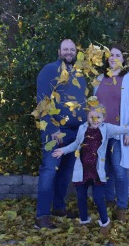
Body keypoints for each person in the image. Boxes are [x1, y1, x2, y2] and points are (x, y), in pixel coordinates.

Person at [52, 101, 129, 235]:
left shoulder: (106, 128)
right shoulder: (82, 129)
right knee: (81, 197)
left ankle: (105, 222)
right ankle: (84, 221)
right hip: (82, 171)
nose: (95, 120)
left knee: (98, 198)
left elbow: (121, 129)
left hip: (96, 172)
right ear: (87, 117)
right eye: (91, 117)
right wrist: (63, 150)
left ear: (103, 118)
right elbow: (76, 144)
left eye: (98, 117)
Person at [34, 39, 88, 230]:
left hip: (76, 132)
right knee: (49, 170)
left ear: (76, 52)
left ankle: (58, 207)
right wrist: (52, 128)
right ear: (59, 52)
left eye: (72, 49)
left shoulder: (79, 74)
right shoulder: (49, 70)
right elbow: (43, 101)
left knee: (65, 172)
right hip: (55, 132)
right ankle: (41, 216)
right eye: (66, 49)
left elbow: (83, 101)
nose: (69, 52)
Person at [93, 43, 129, 223]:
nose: (113, 58)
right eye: (111, 55)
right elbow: (93, 107)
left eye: (118, 55)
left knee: (120, 171)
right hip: (101, 134)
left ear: (124, 59)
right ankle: (109, 204)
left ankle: (122, 209)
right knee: (104, 171)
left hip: (121, 134)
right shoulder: (99, 79)